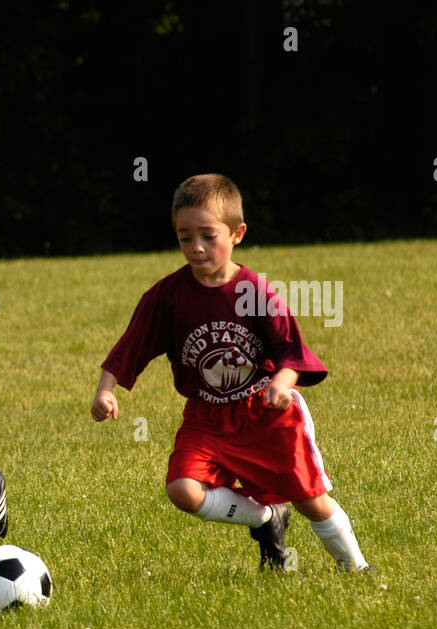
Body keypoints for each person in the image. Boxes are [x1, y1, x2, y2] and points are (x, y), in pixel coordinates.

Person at [91, 173, 369, 572]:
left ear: (237, 233)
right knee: (183, 490)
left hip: (266, 415)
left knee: (310, 499)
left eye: (208, 235)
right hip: (207, 417)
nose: (196, 247)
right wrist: (106, 389)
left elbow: (293, 352)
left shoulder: (255, 291)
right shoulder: (167, 296)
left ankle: (356, 568)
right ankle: (266, 517)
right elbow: (129, 346)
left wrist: (280, 383)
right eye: (185, 237)